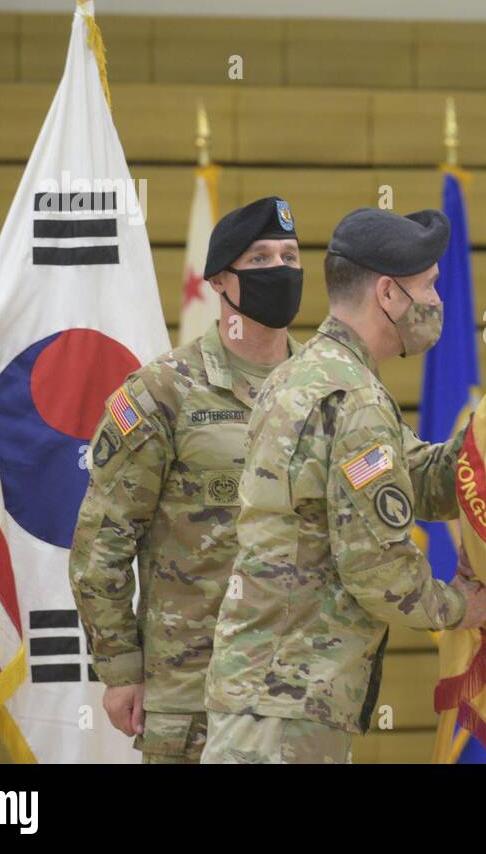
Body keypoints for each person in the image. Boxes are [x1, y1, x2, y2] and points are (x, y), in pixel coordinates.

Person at [202, 206, 486, 764]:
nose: (437, 302)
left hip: (269, 696)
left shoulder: (311, 373)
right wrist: (459, 606)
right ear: (388, 293)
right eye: (429, 286)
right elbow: (379, 571)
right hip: (289, 703)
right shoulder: (353, 400)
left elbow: (424, 481)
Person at [69, 195, 306, 763]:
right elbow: (102, 540)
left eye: (291, 255)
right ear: (222, 282)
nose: (282, 270)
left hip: (303, 697)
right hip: (193, 700)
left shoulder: (322, 386)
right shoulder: (162, 392)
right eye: (262, 258)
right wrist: (121, 669)